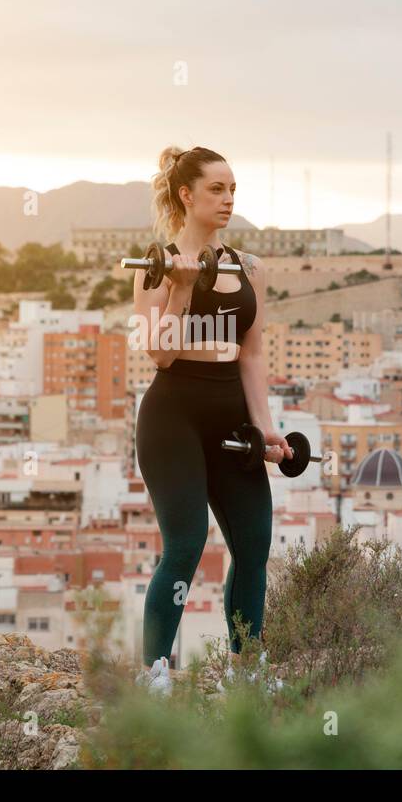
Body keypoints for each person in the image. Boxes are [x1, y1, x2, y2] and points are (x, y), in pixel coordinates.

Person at [132, 145, 291, 695]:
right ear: (186, 195)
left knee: (253, 542)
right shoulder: (157, 264)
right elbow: (159, 354)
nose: (227, 200)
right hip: (172, 415)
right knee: (186, 541)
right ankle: (154, 671)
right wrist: (178, 286)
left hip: (231, 419)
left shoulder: (250, 268)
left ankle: (247, 670)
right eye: (216, 190)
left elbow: (251, 353)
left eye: (232, 190)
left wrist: (265, 426)